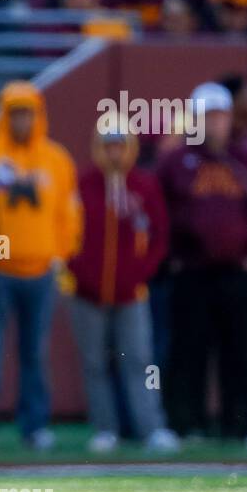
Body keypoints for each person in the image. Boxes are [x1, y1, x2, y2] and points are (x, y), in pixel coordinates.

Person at [158, 82, 247, 454]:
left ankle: (244, 424)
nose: (214, 124)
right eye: (206, 117)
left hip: (237, 271)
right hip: (191, 271)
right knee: (189, 350)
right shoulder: (176, 162)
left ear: (230, 119)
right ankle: (187, 422)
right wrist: (171, 256)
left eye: (219, 116)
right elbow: (158, 211)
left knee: (241, 351)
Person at [0, 81, 81, 451]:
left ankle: (35, 426)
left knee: (35, 354)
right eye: (14, 113)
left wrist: (62, 254)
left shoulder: (57, 159)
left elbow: (69, 214)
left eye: (27, 112)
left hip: (42, 270)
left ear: (38, 115)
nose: (21, 120)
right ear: (3, 115)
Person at [65, 119, 177, 455]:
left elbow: (159, 237)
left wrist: (140, 273)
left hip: (131, 293)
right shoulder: (84, 183)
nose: (114, 152)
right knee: (95, 363)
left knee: (140, 361)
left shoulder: (144, 185)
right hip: (87, 293)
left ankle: (151, 428)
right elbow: (66, 230)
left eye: (120, 145)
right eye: (108, 145)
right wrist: (79, 272)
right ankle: (105, 429)